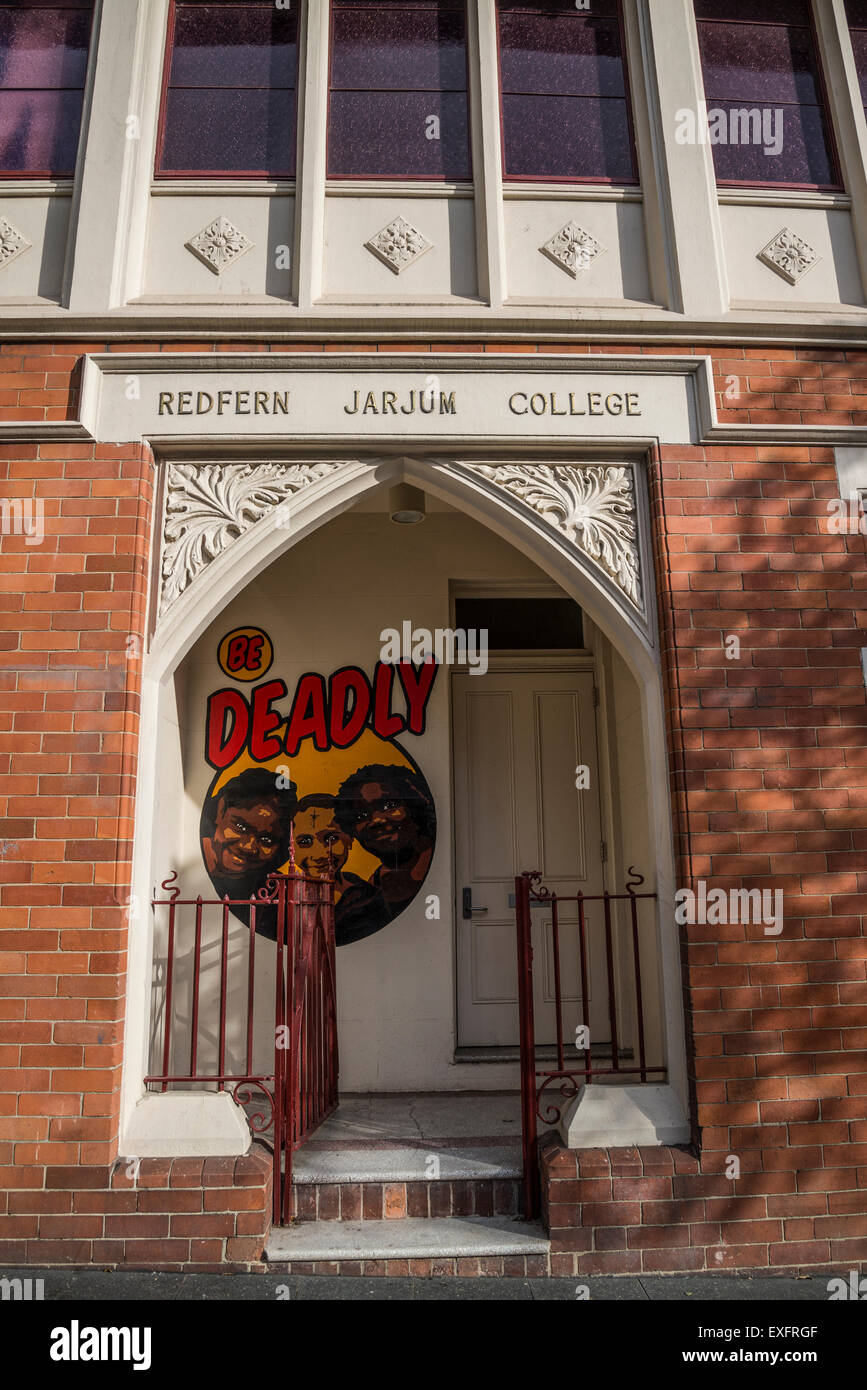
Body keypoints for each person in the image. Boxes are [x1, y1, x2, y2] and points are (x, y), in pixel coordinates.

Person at [334, 763, 436, 936]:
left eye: (389, 805)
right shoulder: (362, 898)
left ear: (415, 807)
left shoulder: (441, 866)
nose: (376, 820)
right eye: (361, 816)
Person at [200, 767, 297, 938]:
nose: (248, 846)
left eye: (266, 839)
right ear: (220, 811)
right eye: (240, 827)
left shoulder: (277, 893)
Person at [292, 792, 388, 946]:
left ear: (350, 840)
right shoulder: (281, 901)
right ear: (291, 847)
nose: (319, 854)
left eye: (331, 838)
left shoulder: (370, 900)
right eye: (305, 841)